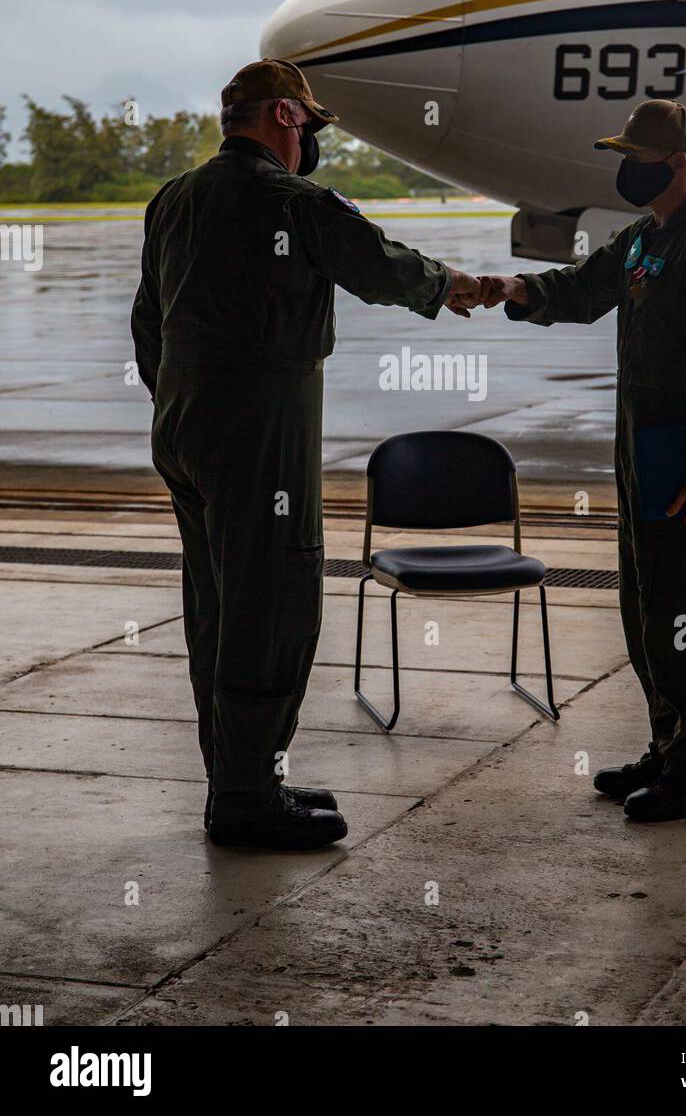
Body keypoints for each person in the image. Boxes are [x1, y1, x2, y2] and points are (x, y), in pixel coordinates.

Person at [131, 58, 480, 849]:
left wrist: (180, 402)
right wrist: (449, 284)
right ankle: (249, 799)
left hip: (183, 423)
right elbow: (377, 264)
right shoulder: (290, 199)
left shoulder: (175, 199)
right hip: (262, 422)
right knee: (274, 600)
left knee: (215, 602)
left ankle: (240, 777)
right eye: (310, 126)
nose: (312, 142)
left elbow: (149, 320)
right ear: (285, 118)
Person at [478, 100, 686, 823]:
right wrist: (514, 289)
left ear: (677, 165)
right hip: (641, 447)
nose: (623, 169)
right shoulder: (644, 239)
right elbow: (580, 288)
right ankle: (669, 747)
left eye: (635, 158)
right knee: (646, 605)